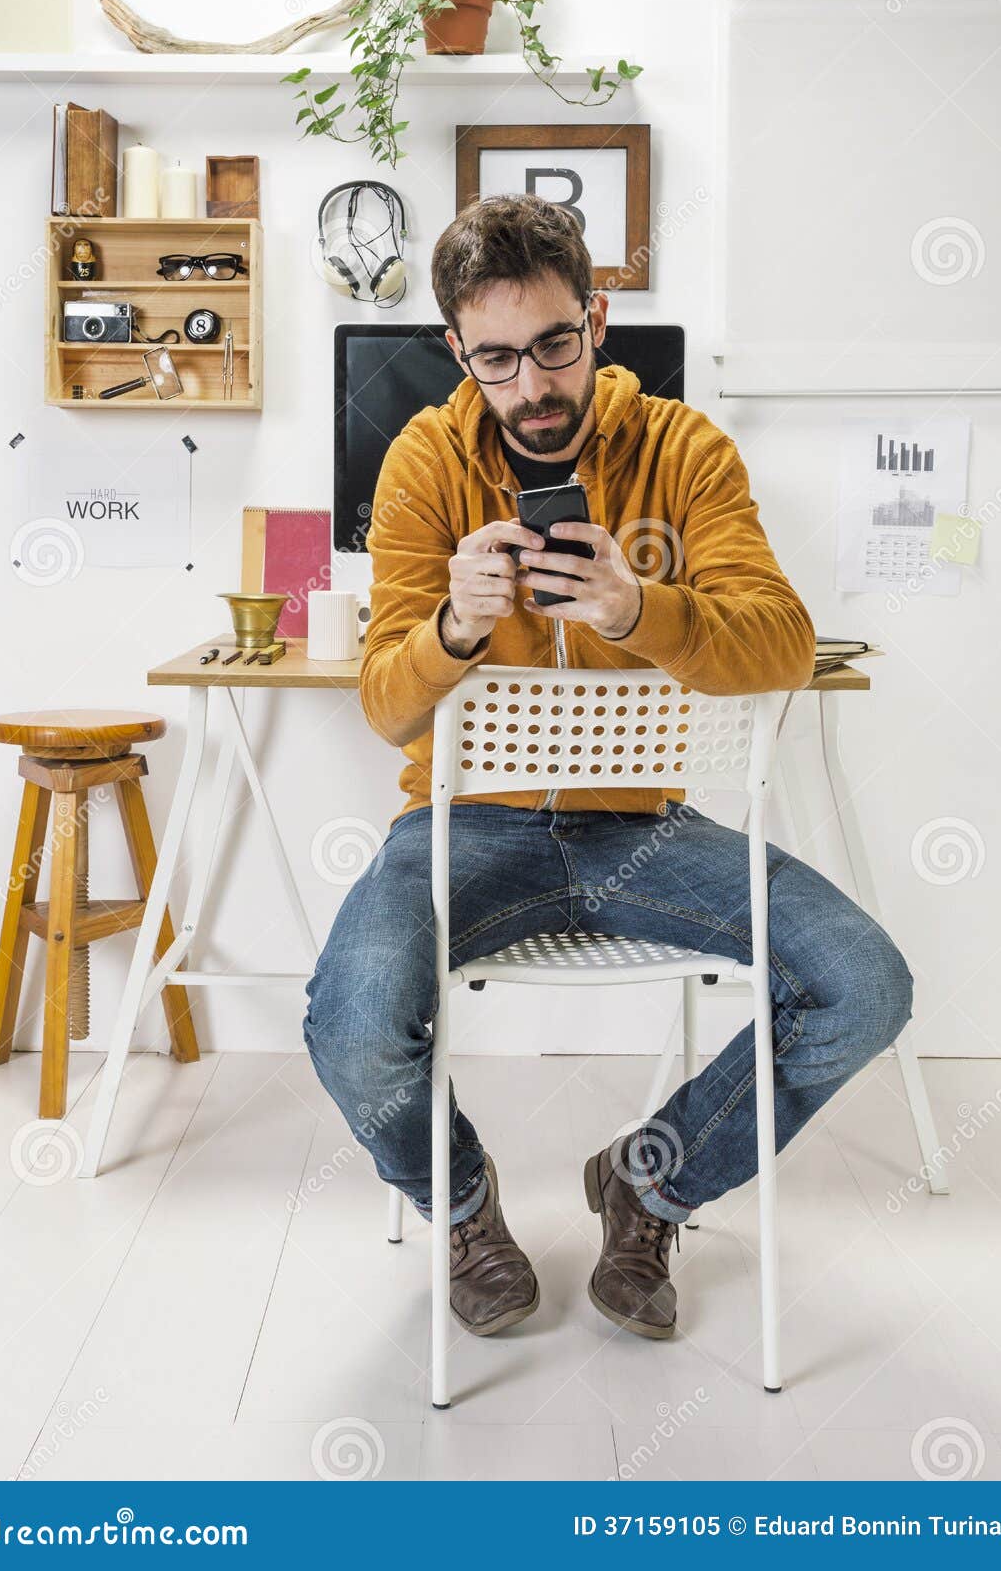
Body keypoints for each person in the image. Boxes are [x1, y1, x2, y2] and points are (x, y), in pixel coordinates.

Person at [303, 193, 913, 1342]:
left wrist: (639, 606)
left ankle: (647, 1183)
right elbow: (386, 704)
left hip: (644, 827)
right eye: (495, 358)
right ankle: (468, 1211)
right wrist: (452, 630)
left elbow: (779, 640)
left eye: (552, 345)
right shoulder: (422, 464)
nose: (531, 386)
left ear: (597, 316)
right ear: (456, 353)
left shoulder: (684, 449)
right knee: (352, 1020)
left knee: (863, 983)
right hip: (463, 826)